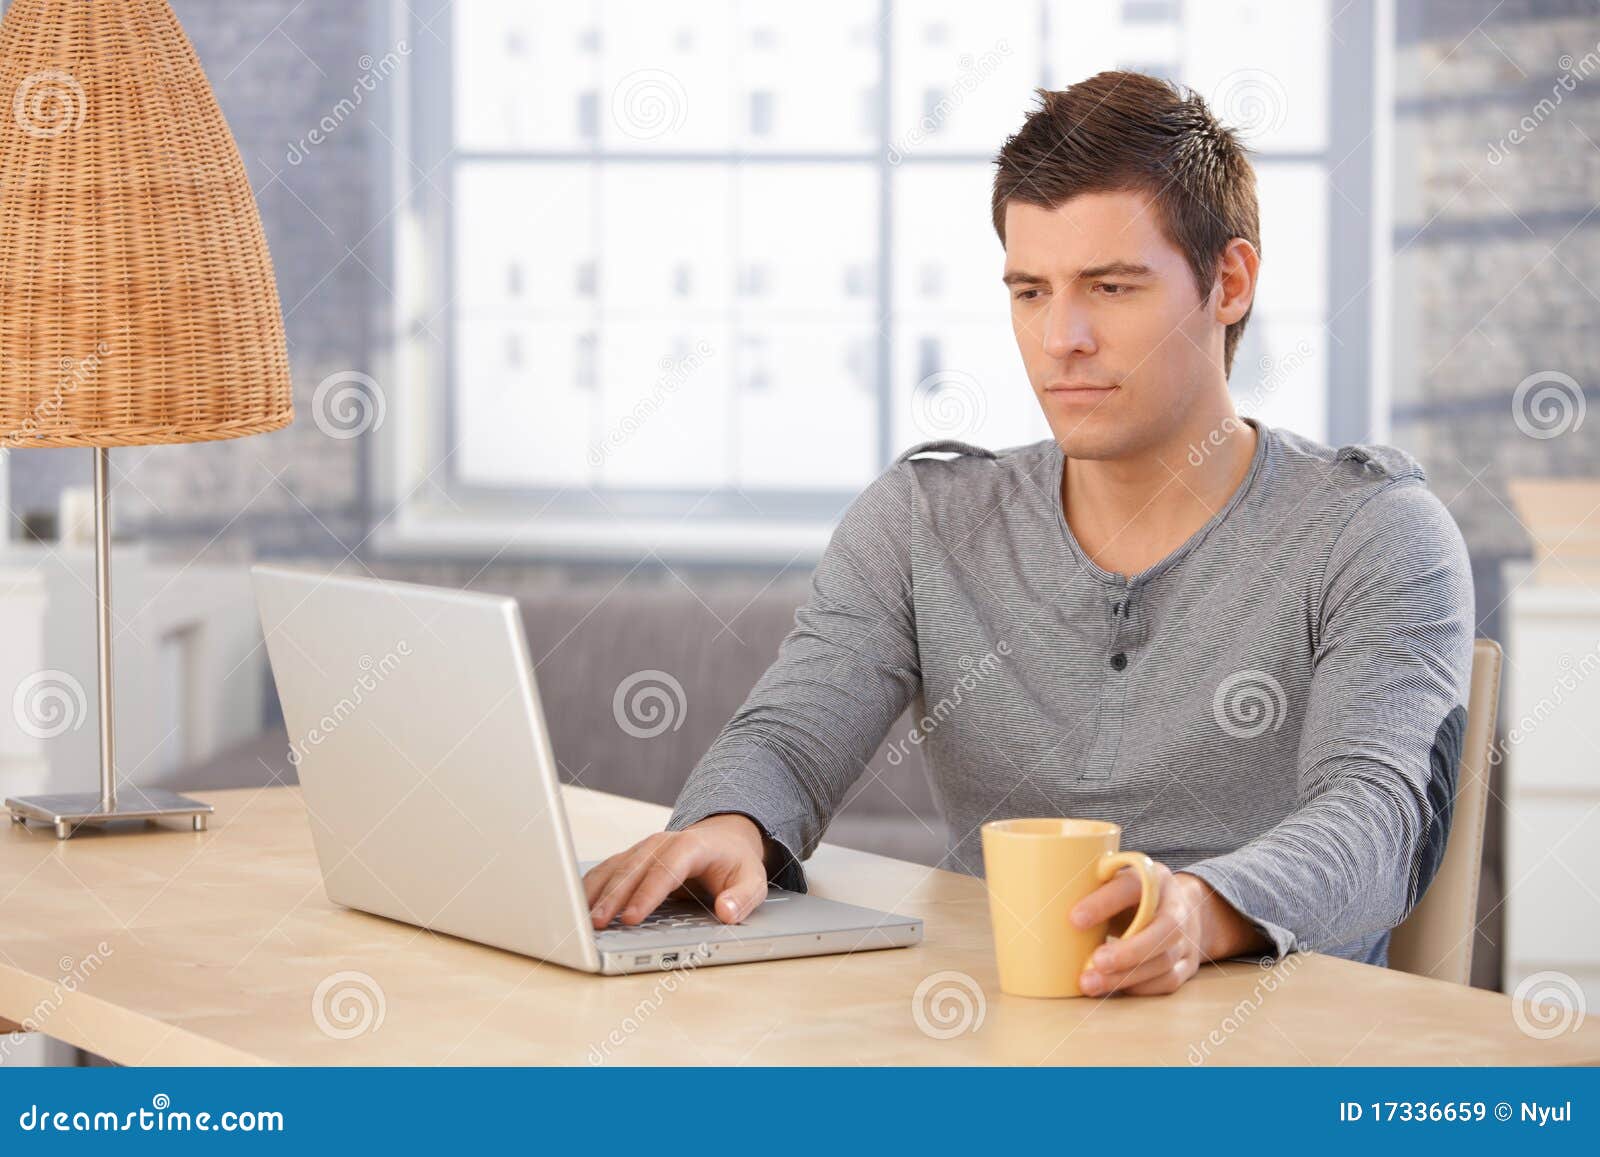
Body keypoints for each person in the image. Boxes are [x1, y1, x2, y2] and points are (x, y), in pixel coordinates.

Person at [582, 71, 1474, 998]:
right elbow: (790, 740)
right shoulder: (924, 519)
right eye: (1030, 291)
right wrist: (731, 824)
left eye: (1111, 286)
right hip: (1001, 1044)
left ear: (1231, 283)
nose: (1062, 338)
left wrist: (1199, 912)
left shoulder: (1373, 532)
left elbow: (1381, 814)